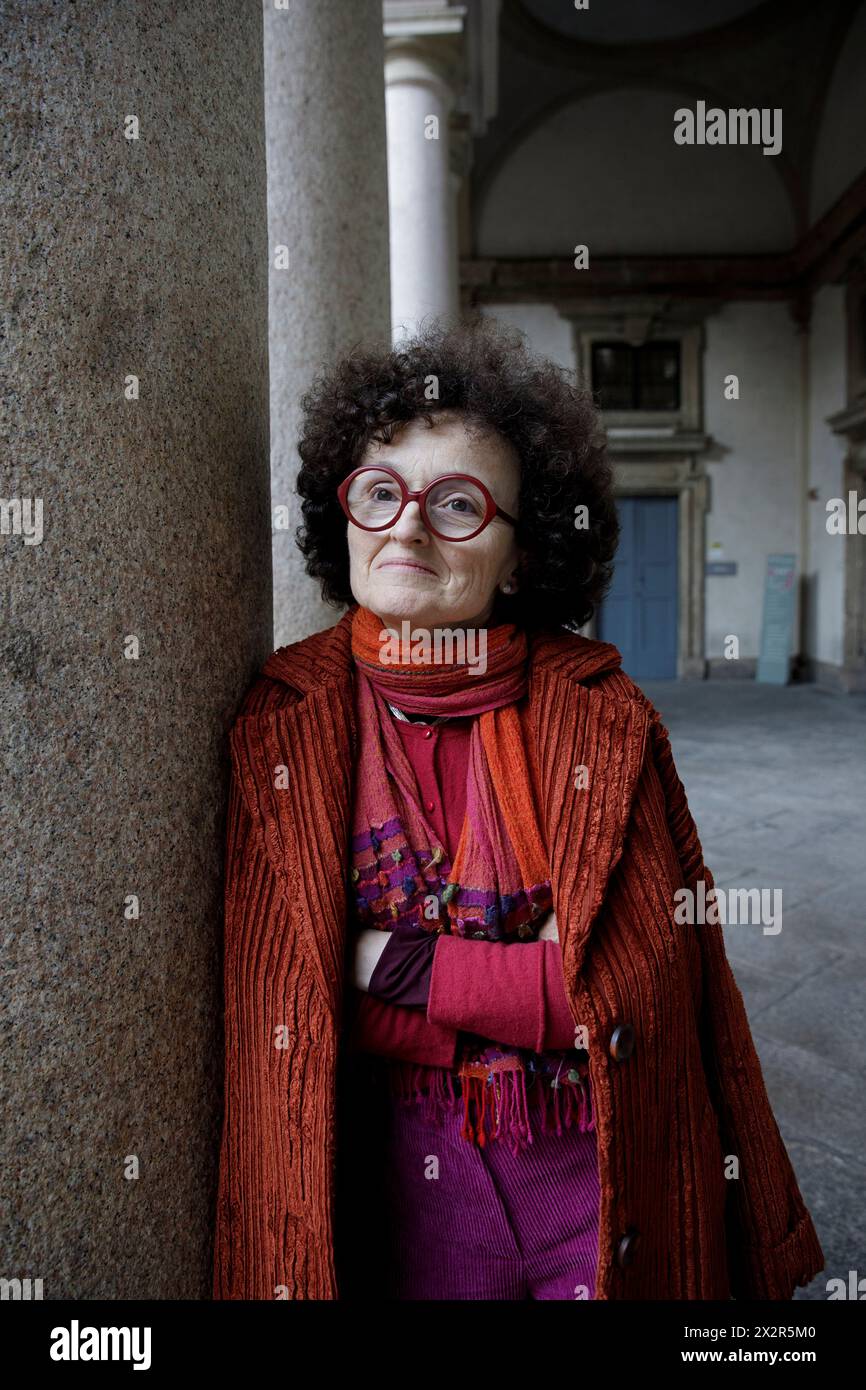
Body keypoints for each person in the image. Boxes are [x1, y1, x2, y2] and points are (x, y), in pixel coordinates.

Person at [213, 318, 824, 1301]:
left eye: (456, 504)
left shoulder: (604, 716)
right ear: (345, 521)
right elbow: (296, 1006)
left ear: (519, 554)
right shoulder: (280, 721)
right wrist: (510, 991)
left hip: (601, 1181)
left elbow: (633, 994)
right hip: (403, 1201)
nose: (405, 527)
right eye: (380, 493)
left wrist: (388, 960)